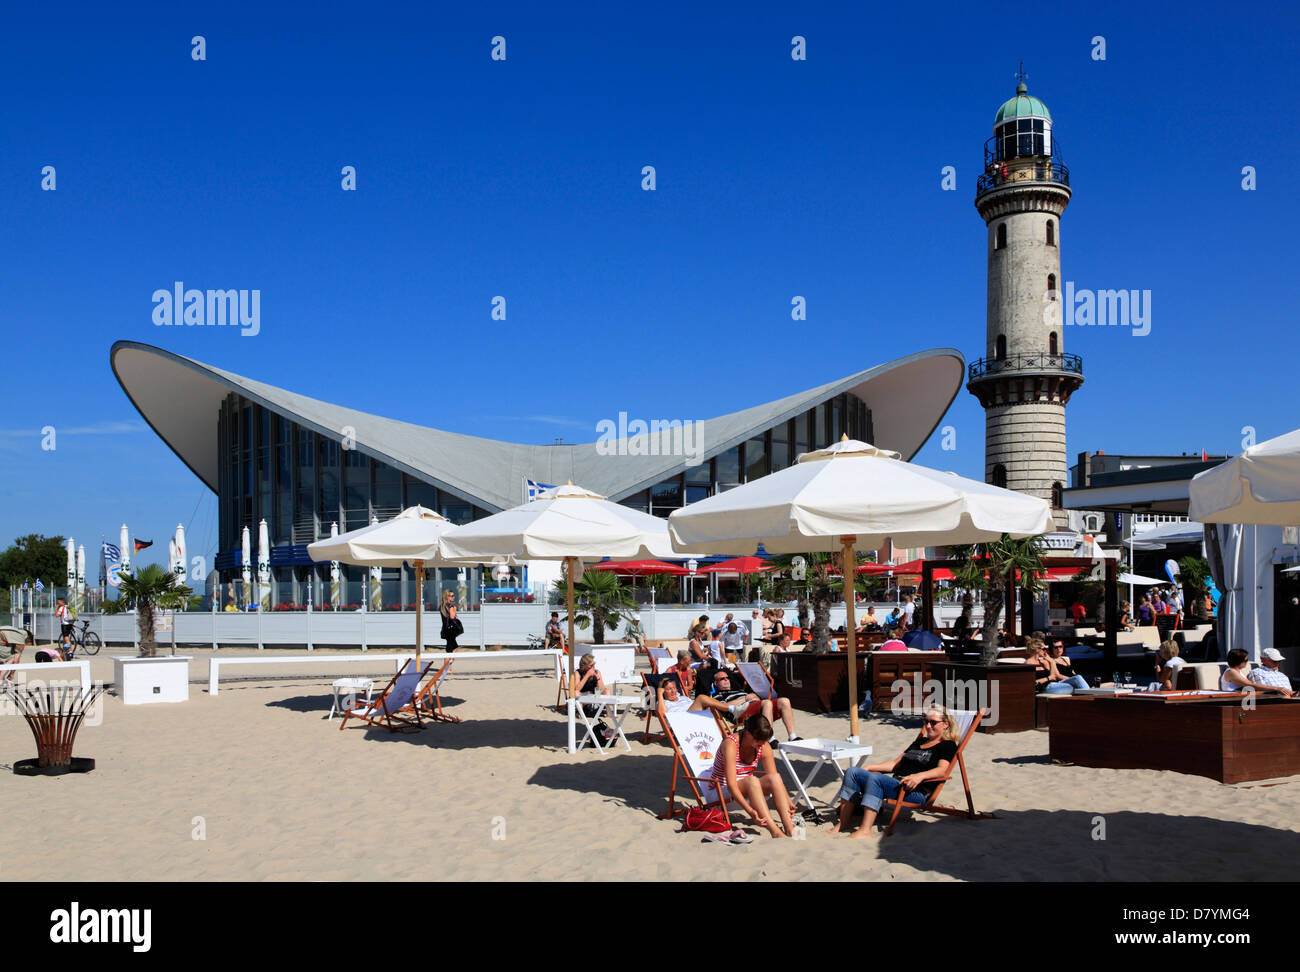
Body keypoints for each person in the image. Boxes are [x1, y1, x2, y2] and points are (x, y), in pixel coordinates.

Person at [829, 705, 958, 839]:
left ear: (945, 724)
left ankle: (865, 830)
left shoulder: (947, 745)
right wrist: (868, 767)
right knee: (852, 772)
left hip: (915, 791)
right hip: (897, 784)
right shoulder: (920, 742)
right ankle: (843, 823)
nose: (929, 726)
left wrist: (919, 776)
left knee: (876, 778)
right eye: (926, 722)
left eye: (933, 722)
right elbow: (895, 764)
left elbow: (942, 771)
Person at [711, 714, 798, 838]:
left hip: (749, 788)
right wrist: (750, 811)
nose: (761, 743)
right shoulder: (730, 744)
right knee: (752, 781)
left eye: (764, 740)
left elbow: (774, 778)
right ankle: (775, 832)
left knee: (775, 777)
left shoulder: (763, 746)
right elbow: (731, 785)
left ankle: (790, 828)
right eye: (758, 739)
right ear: (747, 732)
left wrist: (788, 800)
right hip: (721, 791)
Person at [708, 667, 799, 741]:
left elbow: (756, 700)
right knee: (767, 703)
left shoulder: (738, 690)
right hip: (740, 712)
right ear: (716, 683)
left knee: (784, 701)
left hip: (755, 706)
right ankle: (768, 738)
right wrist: (745, 698)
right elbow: (725, 707)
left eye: (727, 678)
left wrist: (755, 697)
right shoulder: (716, 696)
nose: (726, 680)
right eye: (722, 679)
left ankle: (792, 736)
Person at [572, 653, 616, 741]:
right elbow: (577, 688)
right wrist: (587, 676)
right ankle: (580, 713)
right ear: (585, 666)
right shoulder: (578, 673)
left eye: (594, 664)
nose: (594, 666)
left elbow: (602, 689)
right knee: (576, 692)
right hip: (583, 699)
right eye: (591, 665)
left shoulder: (597, 672)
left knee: (607, 691)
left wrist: (598, 679)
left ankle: (608, 713)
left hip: (594, 697)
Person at [1219, 649, 1292, 696]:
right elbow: (1250, 685)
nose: (1247, 662)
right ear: (1239, 661)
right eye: (1246, 660)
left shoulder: (1237, 672)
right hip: (1233, 699)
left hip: (1240, 698)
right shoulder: (1231, 672)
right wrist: (1277, 688)